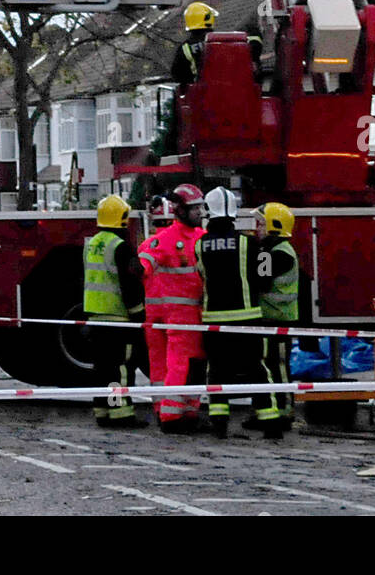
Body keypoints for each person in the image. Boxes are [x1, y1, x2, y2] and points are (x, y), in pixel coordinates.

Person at [195, 187, 279, 438]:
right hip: (247, 321)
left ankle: (219, 423)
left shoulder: (200, 245)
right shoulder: (250, 243)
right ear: (233, 212)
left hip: (213, 322)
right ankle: (271, 422)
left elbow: (202, 275)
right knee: (257, 370)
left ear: (208, 211)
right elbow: (265, 279)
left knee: (217, 371)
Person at [138, 183, 207, 433]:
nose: (199, 212)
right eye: (195, 208)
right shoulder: (196, 240)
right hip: (184, 316)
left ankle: (165, 409)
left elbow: (141, 268)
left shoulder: (157, 241)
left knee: (162, 366)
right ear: (179, 210)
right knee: (184, 364)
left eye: (201, 207)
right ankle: (175, 415)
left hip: (157, 315)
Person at [83, 195, 145, 427]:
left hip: (95, 316)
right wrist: (138, 314)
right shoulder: (121, 247)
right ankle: (120, 413)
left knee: (102, 368)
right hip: (118, 318)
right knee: (121, 368)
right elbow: (130, 285)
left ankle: (102, 411)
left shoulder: (92, 243)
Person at [254, 201, 300, 432]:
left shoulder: (278, 253)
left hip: (277, 320)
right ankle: (271, 409)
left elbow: (260, 281)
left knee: (278, 368)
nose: (256, 229)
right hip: (272, 320)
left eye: (260, 224)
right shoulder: (278, 250)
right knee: (268, 368)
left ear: (273, 225)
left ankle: (283, 411)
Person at [171, 2, 217, 86]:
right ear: (208, 19)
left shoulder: (185, 48)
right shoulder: (223, 40)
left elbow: (178, 75)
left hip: (201, 94)